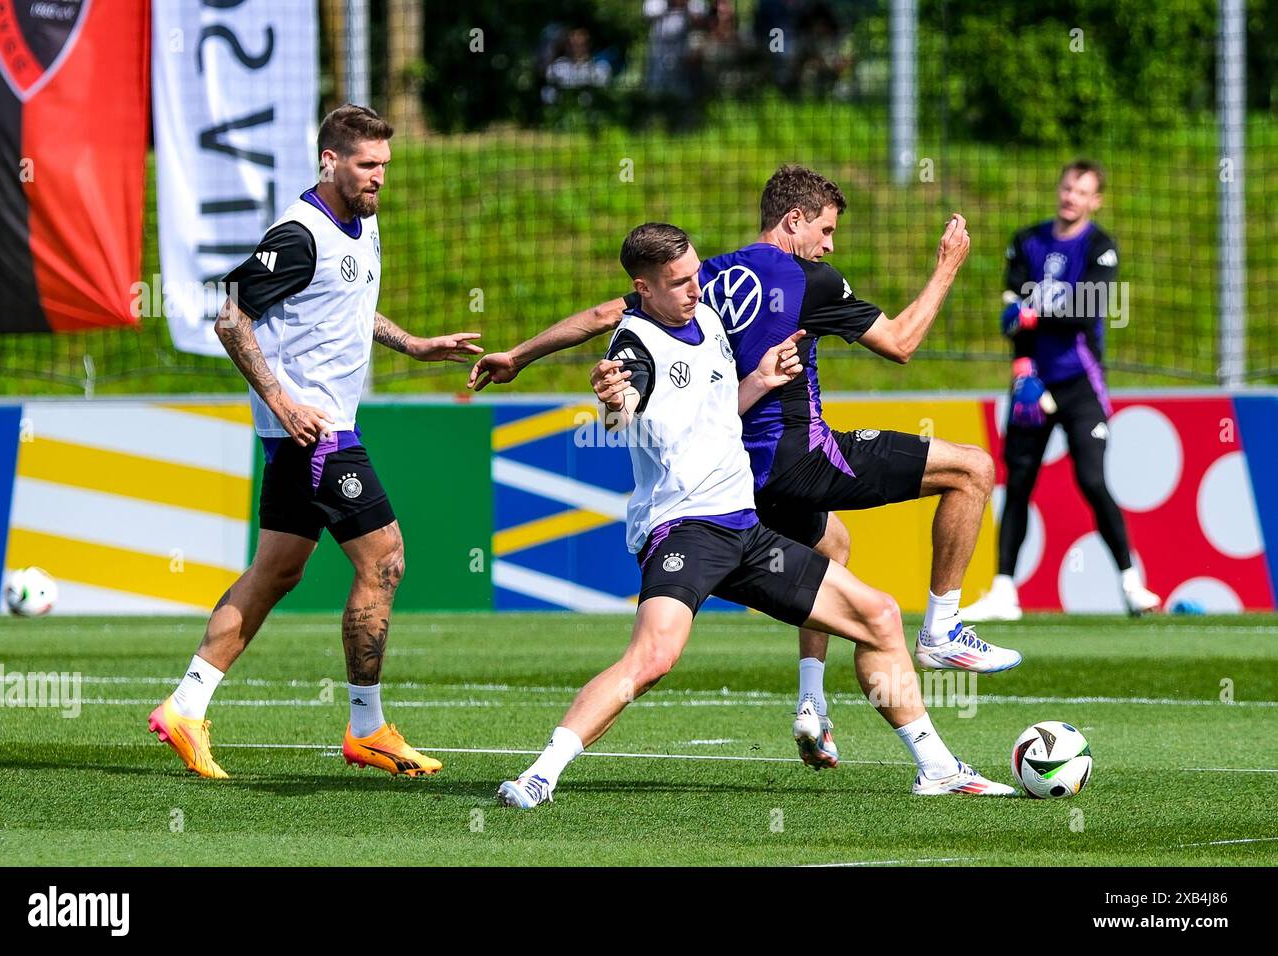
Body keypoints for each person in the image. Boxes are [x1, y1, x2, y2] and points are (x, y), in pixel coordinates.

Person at [468, 165, 1020, 773]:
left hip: (736, 476)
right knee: (971, 469)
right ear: (793, 221)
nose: (830, 244)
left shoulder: (704, 276)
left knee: (835, 547)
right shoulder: (808, 277)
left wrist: (519, 355)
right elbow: (901, 343)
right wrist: (948, 265)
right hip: (794, 458)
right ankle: (942, 627)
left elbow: (604, 314)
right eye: (827, 229)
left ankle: (817, 706)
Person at [146, 105, 483, 779]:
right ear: (329, 161)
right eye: (366, 164)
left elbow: (347, 301)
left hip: (313, 433)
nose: (379, 177)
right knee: (385, 561)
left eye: (385, 165)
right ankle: (367, 727)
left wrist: (413, 344)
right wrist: (279, 398)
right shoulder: (297, 235)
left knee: (276, 572)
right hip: (315, 433)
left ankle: (185, 707)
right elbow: (230, 316)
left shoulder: (362, 224)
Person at [963, 160, 1160, 621]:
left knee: (1091, 479)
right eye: (1067, 187)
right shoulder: (1026, 241)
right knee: (1018, 484)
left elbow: (1085, 309)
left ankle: (1132, 585)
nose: (1071, 196)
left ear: (1095, 201)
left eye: (1082, 191)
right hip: (1032, 381)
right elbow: (1011, 315)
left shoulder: (1100, 247)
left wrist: (1033, 315)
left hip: (1080, 383)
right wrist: (1023, 365)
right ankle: (1004, 591)